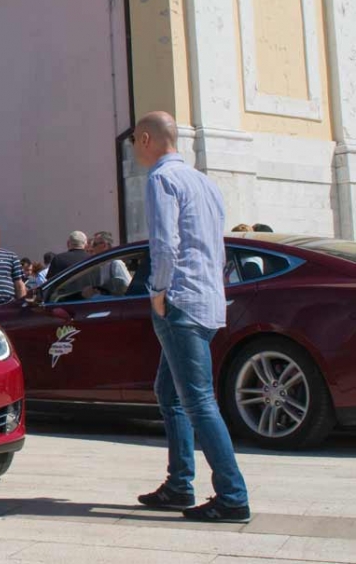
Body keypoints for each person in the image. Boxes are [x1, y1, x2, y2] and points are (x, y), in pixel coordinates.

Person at [132, 111, 250, 523]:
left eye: (134, 142)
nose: (133, 151)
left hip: (180, 299)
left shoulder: (161, 180)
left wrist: (159, 293)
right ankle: (180, 483)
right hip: (207, 300)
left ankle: (233, 495)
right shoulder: (205, 183)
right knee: (170, 392)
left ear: (145, 139)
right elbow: (216, 248)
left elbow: (165, 245)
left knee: (198, 400)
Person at [84, 231, 131, 297]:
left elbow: (127, 286)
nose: (92, 247)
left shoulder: (116, 264)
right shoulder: (101, 265)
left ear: (104, 245)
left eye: (94, 244)